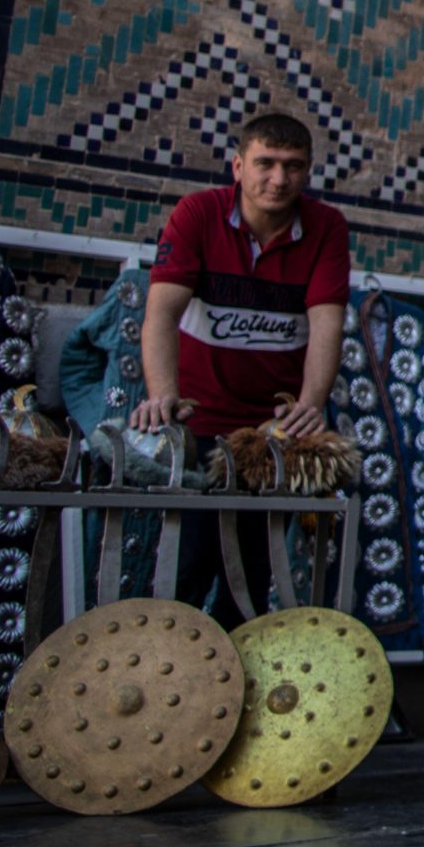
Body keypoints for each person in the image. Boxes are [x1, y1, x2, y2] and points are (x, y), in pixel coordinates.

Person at [131, 112, 351, 626]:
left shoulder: (325, 226)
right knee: (186, 568)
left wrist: (310, 405)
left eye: (292, 166)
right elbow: (160, 314)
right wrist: (162, 395)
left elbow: (327, 323)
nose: (278, 178)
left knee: (251, 577)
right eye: (265, 163)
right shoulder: (197, 213)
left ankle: (236, 673)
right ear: (237, 166)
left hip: (269, 435)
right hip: (199, 421)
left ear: (308, 170)